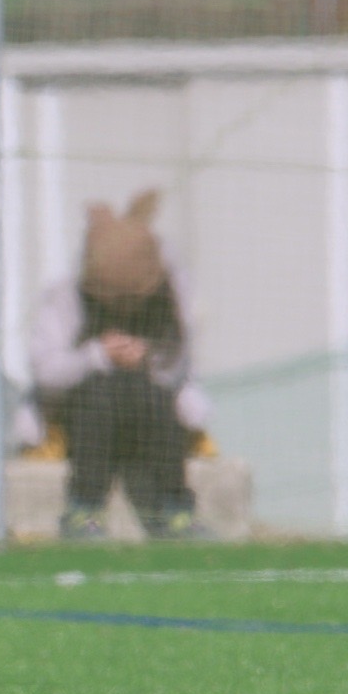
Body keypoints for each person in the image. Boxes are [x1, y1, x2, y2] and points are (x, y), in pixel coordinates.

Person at [25, 189, 210, 540]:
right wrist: (97, 356)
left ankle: (175, 511)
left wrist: (148, 357)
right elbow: (46, 372)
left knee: (154, 397)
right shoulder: (65, 296)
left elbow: (180, 366)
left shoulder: (169, 295)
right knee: (98, 400)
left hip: (150, 406)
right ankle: (85, 508)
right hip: (82, 410)